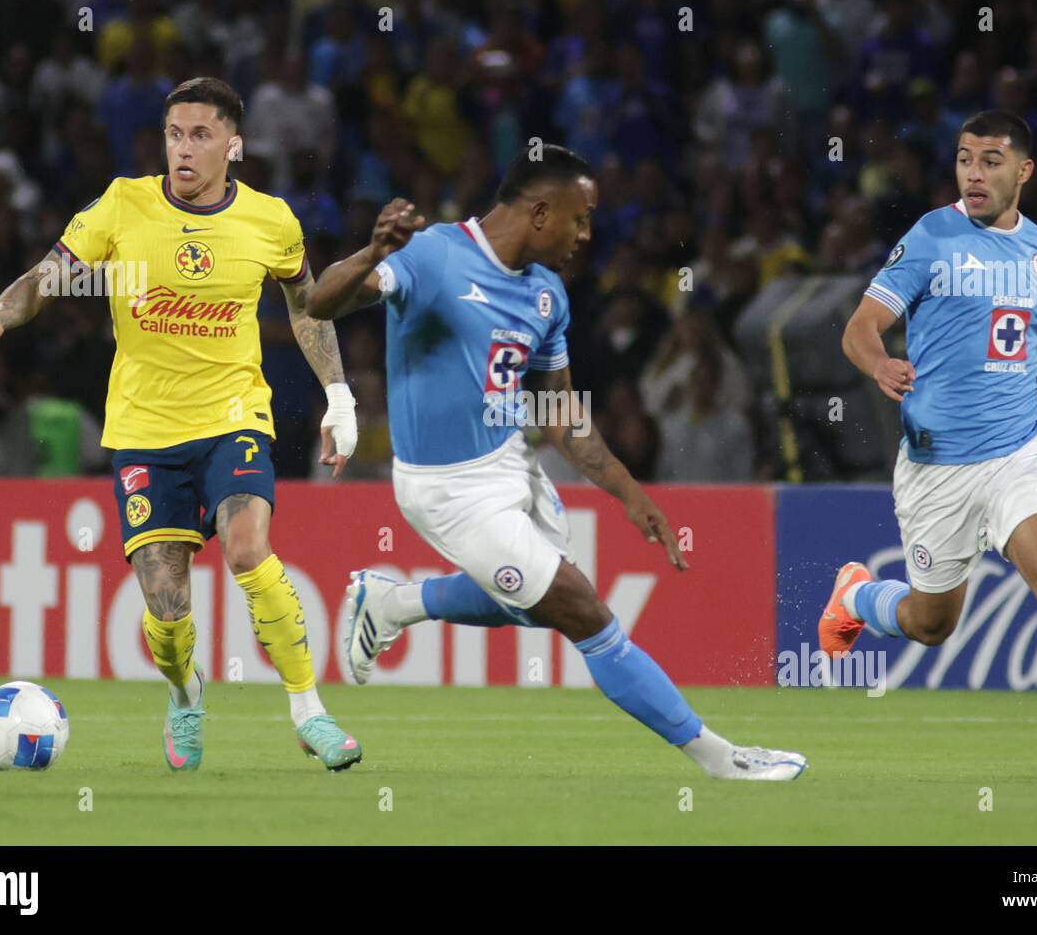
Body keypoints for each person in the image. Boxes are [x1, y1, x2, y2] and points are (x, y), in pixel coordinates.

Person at [307, 146, 807, 781]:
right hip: (447, 488)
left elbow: (563, 414)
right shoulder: (434, 253)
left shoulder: (547, 295)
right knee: (585, 612)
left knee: (527, 604)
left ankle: (394, 602)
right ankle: (718, 758)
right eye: (581, 218)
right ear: (540, 212)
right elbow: (320, 302)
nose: (586, 235)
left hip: (512, 466)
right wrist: (376, 252)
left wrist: (628, 492)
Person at [0, 77, 363, 773]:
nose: (184, 148)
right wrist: (0, 312)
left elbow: (307, 306)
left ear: (233, 145)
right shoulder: (124, 204)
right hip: (145, 428)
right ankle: (184, 691)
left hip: (234, 413)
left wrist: (340, 393)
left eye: (201, 135)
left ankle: (309, 712)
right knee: (167, 601)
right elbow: (46, 276)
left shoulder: (272, 220)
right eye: (175, 133)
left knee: (246, 550)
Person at [823, 110, 1037, 784]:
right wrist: (879, 363)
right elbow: (862, 324)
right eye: (966, 158)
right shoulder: (933, 235)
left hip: (1017, 450)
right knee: (931, 623)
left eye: (991, 161)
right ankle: (855, 596)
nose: (974, 173)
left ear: (1023, 172)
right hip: (936, 468)